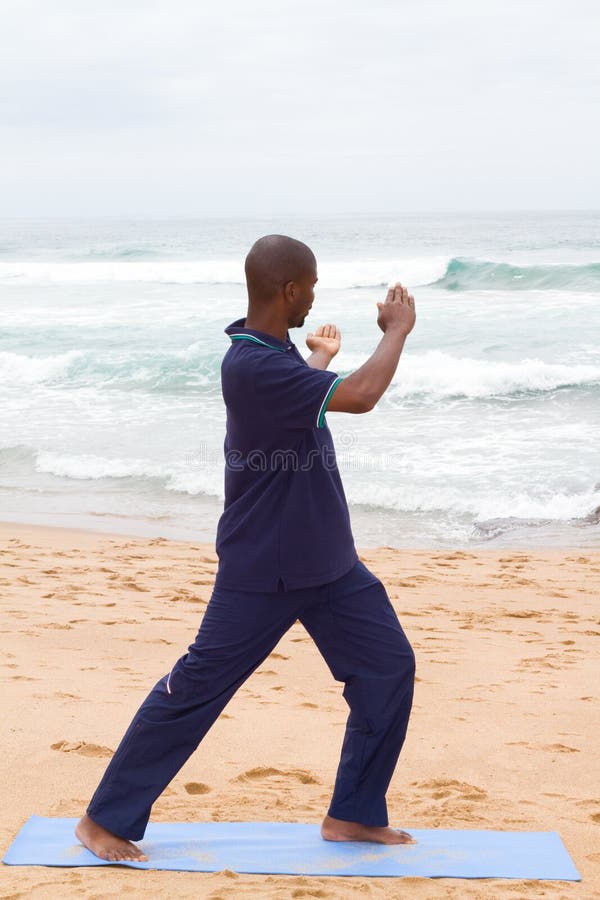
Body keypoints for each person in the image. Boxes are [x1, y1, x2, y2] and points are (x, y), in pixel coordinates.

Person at [75, 234, 417, 862]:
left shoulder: (274, 358)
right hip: (266, 566)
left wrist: (318, 360)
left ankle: (354, 815)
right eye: (310, 286)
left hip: (329, 563)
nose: (315, 295)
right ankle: (103, 819)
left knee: (388, 668)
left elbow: (293, 399)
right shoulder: (252, 364)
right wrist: (396, 331)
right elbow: (362, 397)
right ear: (289, 290)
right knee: (198, 687)